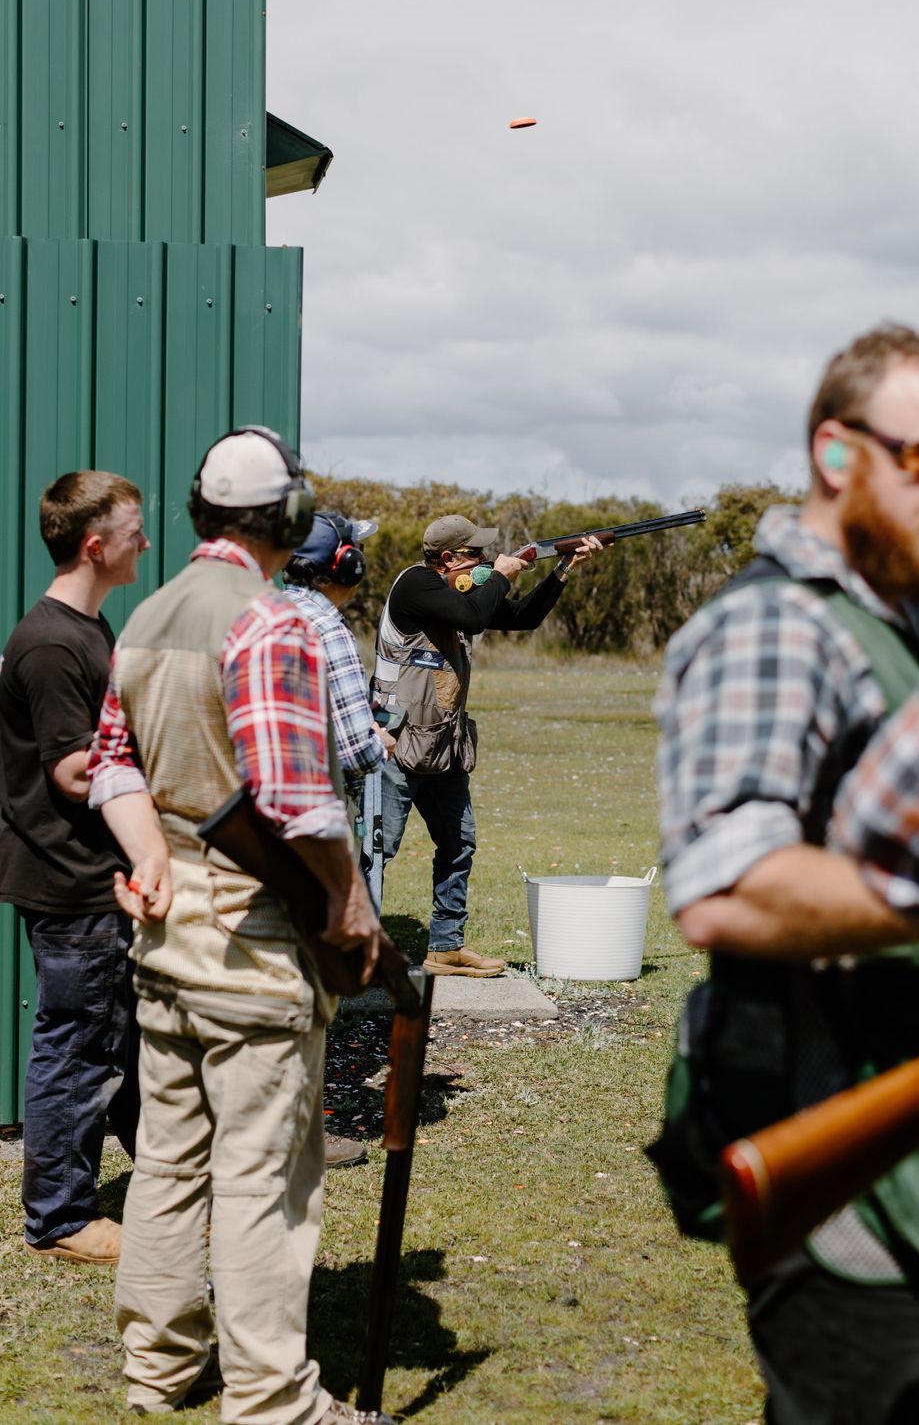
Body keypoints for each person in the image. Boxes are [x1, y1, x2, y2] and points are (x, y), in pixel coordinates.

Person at [653, 324, 919, 1425]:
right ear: (837, 455)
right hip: (826, 1140)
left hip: (911, 1128)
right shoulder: (778, 625)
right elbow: (726, 888)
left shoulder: (904, 625)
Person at [88, 427, 389, 1424]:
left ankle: (157, 1369)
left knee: (168, 1164)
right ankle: (272, 1400)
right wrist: (349, 902)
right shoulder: (273, 621)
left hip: (165, 938)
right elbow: (297, 800)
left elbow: (113, 766)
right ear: (289, 518)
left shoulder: (146, 615)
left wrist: (150, 859)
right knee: (262, 1179)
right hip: (253, 947)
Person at [0, 470, 150, 1265]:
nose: (145, 543)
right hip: (72, 879)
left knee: (117, 1041)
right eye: (133, 532)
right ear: (96, 546)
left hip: (94, 875)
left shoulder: (86, 626)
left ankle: (161, 1181)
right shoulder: (56, 643)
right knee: (76, 1048)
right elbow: (71, 770)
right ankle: (59, 1218)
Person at [369, 512, 602, 977]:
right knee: (377, 851)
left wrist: (563, 568)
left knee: (458, 843)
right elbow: (473, 616)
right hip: (394, 742)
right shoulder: (416, 585)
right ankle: (353, 952)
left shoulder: (458, 593)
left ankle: (446, 947)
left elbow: (523, 618)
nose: (484, 558)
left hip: (443, 743)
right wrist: (500, 574)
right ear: (449, 558)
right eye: (475, 553)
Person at [283, 510, 395, 1171]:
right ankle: (302, 1133)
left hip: (254, 830)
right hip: (314, 822)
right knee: (309, 981)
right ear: (342, 565)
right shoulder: (327, 627)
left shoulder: (262, 611)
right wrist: (378, 740)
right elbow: (355, 748)